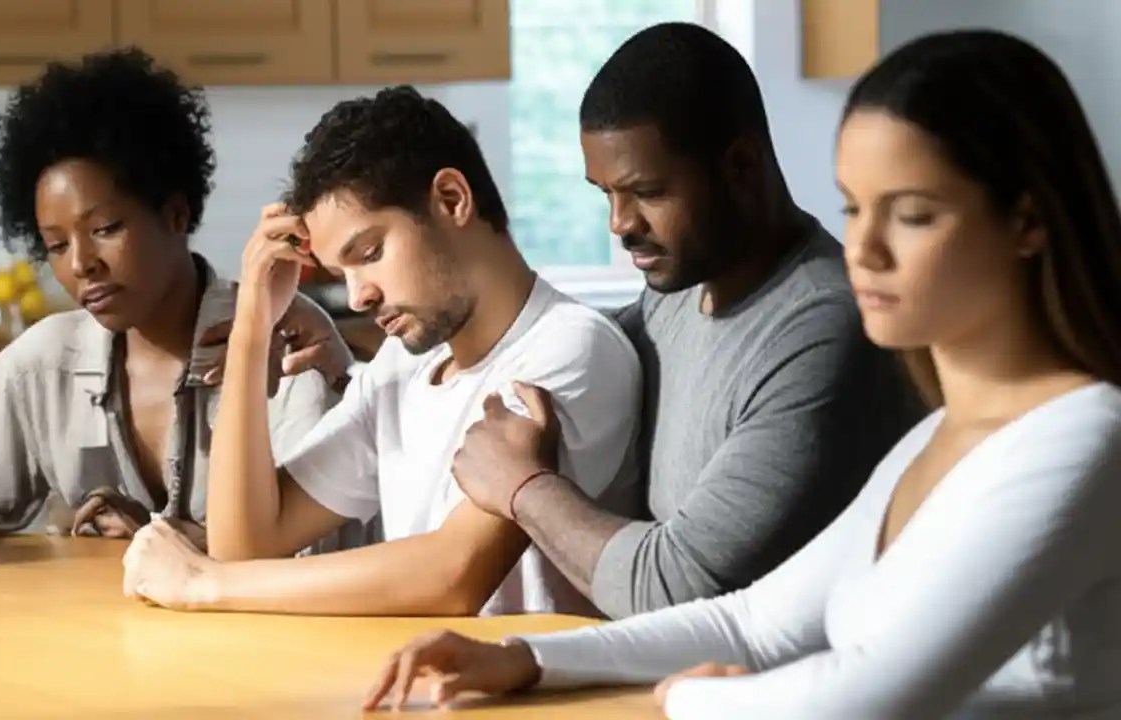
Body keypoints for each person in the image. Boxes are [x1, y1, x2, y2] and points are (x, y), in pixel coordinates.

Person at [365, 29, 1121, 717]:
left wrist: (702, 700)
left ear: (1027, 222)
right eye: (855, 210)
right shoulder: (937, 442)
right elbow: (750, 620)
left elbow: (869, 695)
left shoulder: (1084, 438)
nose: (866, 249)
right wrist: (523, 660)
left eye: (914, 214)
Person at [439, 21, 922, 620]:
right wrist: (345, 370)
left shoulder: (822, 330)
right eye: (605, 193)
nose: (619, 223)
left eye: (647, 191)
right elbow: (561, 346)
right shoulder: (677, 289)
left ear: (741, 167)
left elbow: (676, 587)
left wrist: (523, 487)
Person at [119, 86, 642, 617]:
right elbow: (246, 545)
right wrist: (254, 325)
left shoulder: (569, 348)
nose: (356, 295)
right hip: (418, 682)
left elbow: (452, 579)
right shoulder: (402, 366)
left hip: (543, 694)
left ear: (452, 199)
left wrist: (204, 585)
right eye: (340, 271)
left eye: (369, 253)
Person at [0, 48, 340, 569]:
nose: (82, 264)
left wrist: (181, 540)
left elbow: (323, 541)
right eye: (56, 245)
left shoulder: (283, 348)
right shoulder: (42, 365)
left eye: (105, 229)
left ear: (176, 213)